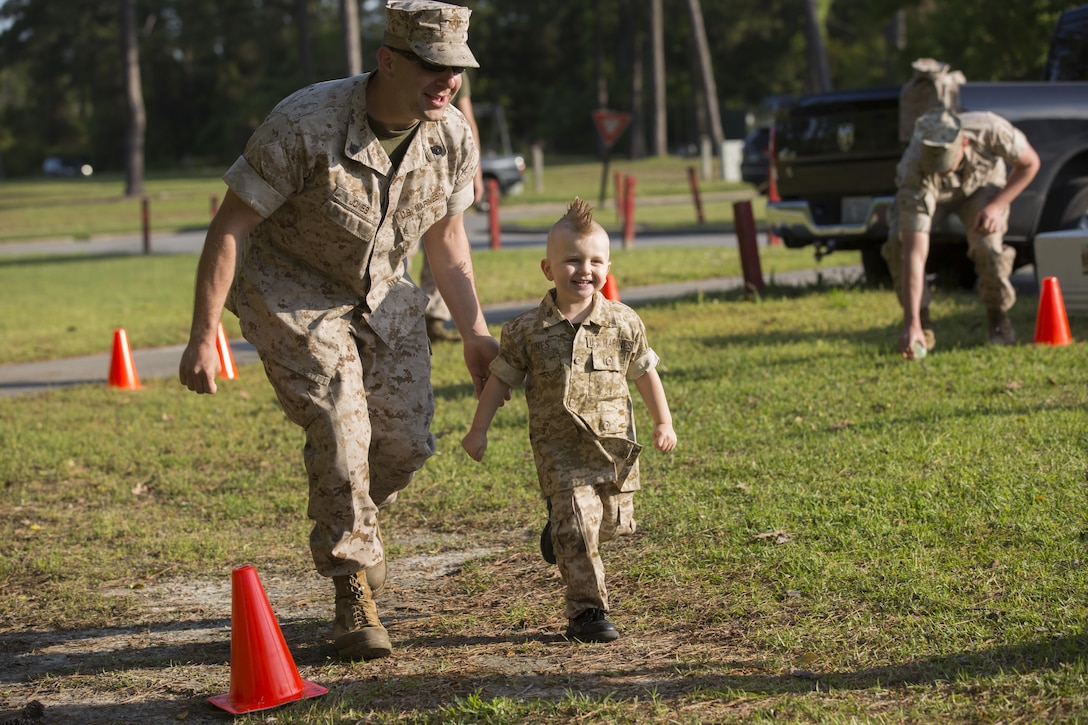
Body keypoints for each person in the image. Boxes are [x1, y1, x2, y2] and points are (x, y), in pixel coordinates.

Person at [177, 0, 498, 662]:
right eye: (432, 67)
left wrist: (474, 331)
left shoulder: (452, 135)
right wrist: (203, 333)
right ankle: (352, 583)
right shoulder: (305, 122)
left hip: (383, 289)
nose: (447, 83)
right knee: (340, 423)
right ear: (388, 60)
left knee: (406, 443)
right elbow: (231, 225)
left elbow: (448, 238)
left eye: (457, 70)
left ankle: (354, 520)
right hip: (291, 287)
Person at [461, 197, 677, 643]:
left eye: (596, 261)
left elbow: (645, 372)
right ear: (548, 268)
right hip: (559, 452)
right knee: (579, 525)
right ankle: (587, 612)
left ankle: (558, 534)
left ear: (608, 266)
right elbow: (500, 381)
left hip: (615, 448)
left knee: (612, 524)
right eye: (572, 260)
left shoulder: (623, 322)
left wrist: (663, 422)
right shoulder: (525, 330)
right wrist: (478, 430)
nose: (585, 270)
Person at [881, 109, 1040, 359]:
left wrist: (997, 206)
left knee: (988, 247)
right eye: (936, 168)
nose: (942, 173)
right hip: (930, 194)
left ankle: (997, 318)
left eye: (946, 166)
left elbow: (1030, 164)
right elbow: (915, 253)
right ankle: (921, 325)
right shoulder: (914, 170)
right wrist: (909, 323)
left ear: (964, 143)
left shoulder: (991, 129)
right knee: (898, 245)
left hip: (981, 188)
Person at [410, 70, 486, 343]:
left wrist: (474, 171)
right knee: (403, 249)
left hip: (441, 159)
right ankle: (402, 317)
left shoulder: (457, 75)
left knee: (445, 240)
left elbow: (466, 117)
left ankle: (434, 318)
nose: (449, 76)